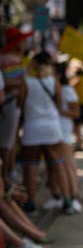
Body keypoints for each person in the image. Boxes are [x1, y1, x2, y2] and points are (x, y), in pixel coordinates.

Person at [19, 52, 76, 214]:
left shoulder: (26, 82)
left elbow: (20, 103)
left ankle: (30, 203)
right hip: (52, 128)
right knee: (58, 164)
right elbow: (58, 103)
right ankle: (67, 201)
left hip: (32, 128)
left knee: (30, 167)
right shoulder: (54, 81)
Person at [0, 26, 32, 183]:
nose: (26, 43)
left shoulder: (15, 59)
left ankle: (8, 171)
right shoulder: (7, 60)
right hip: (9, 104)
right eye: (23, 41)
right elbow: (7, 82)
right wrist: (19, 83)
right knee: (8, 142)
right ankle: (6, 174)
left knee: (11, 141)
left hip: (14, 105)